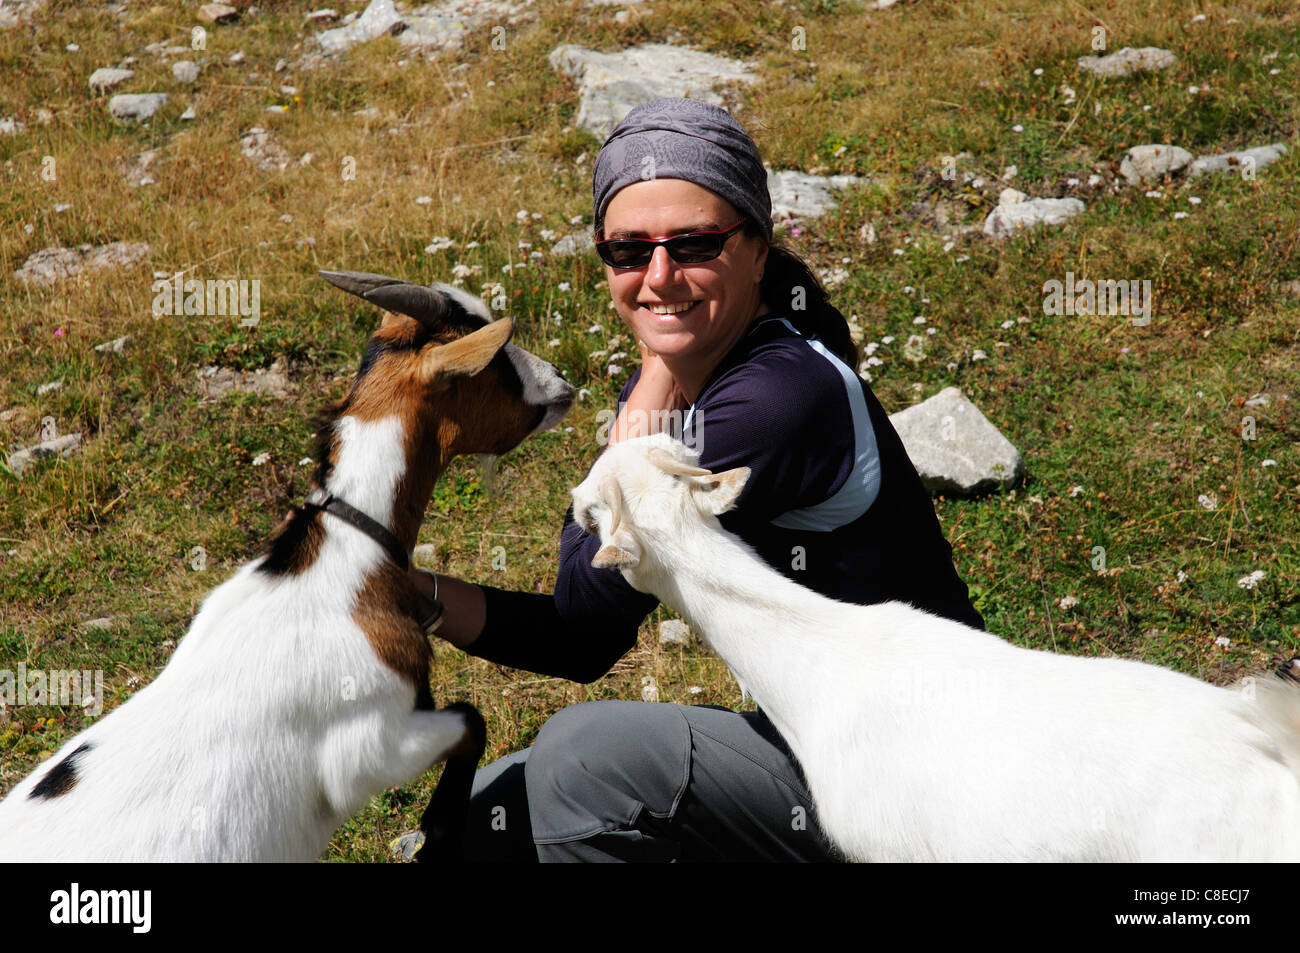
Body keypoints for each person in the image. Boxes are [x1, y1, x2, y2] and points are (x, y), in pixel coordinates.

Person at [413, 97, 984, 862]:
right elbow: (583, 637)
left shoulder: (777, 398)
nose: (657, 276)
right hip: (831, 747)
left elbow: (584, 595)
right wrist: (405, 596)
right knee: (490, 815)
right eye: (627, 251)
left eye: (694, 244)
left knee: (586, 761)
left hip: (918, 776)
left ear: (755, 247)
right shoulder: (697, 383)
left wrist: (647, 390)